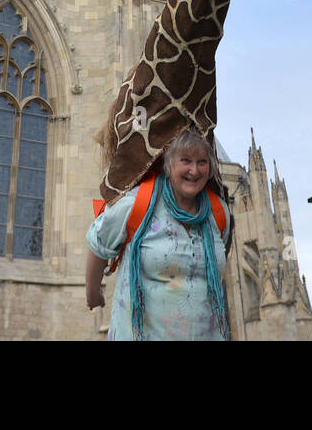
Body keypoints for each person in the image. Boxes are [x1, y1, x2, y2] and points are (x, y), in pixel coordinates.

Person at [85, 128, 232, 340]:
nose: (194, 170)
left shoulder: (218, 213)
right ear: (169, 164)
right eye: (186, 160)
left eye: (202, 162)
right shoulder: (136, 203)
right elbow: (97, 242)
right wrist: (93, 294)